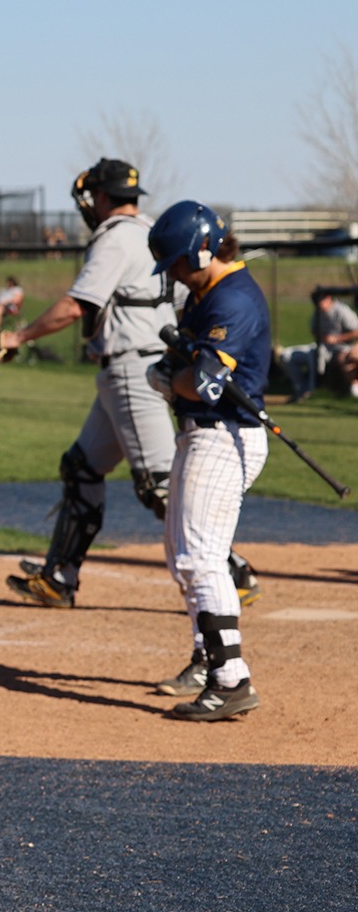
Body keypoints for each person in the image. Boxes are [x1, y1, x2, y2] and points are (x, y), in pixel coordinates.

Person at [0, 159, 260, 610]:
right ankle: (60, 577)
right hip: (133, 367)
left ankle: (232, 573)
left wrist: (16, 337)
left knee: (159, 485)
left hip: (130, 370)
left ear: (101, 197)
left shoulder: (115, 239)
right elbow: (186, 299)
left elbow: (79, 304)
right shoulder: (155, 231)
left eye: (91, 197)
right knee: (81, 467)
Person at [143, 201, 270, 719]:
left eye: (175, 262)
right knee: (182, 556)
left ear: (200, 250)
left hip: (225, 436)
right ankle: (206, 657)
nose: (172, 273)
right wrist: (170, 370)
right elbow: (188, 364)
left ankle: (231, 679)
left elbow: (201, 382)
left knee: (200, 558)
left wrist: (166, 382)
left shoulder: (234, 300)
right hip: (202, 435)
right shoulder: (205, 295)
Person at [280, 287, 358, 401]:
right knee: (286, 356)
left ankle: (313, 390)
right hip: (322, 347)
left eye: (322, 300)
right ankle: (303, 388)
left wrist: (337, 339)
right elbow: (314, 330)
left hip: (342, 347)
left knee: (346, 361)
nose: (320, 305)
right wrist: (323, 338)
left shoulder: (342, 311)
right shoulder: (318, 312)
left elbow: (356, 331)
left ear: (329, 298)